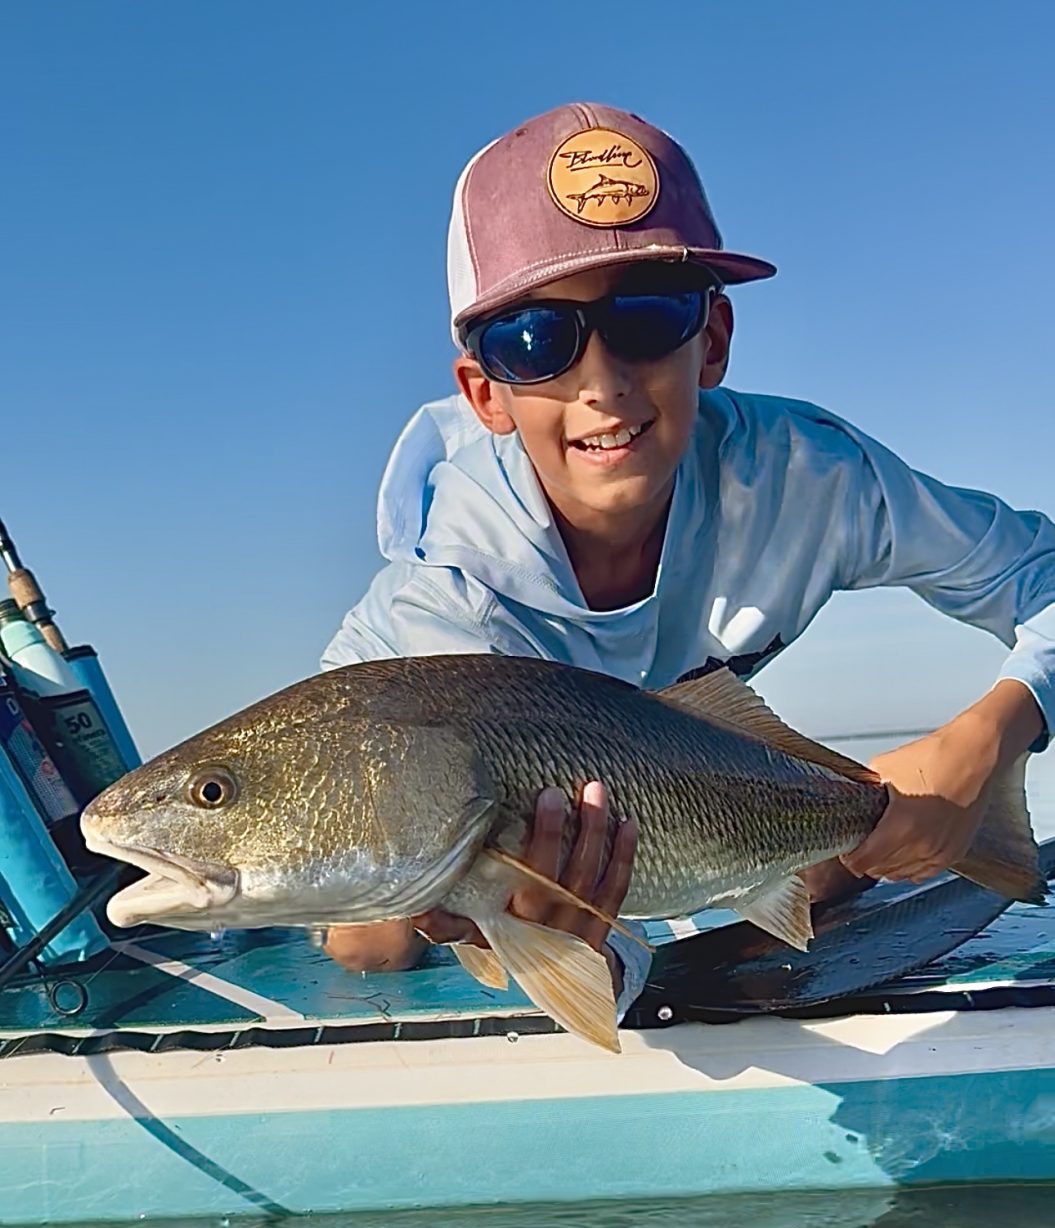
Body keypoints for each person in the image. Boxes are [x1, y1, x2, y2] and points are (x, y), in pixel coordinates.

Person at [319, 101, 1054, 1015]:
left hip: (697, 789)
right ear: (485, 392)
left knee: (801, 859)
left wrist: (996, 732)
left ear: (712, 341)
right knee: (375, 937)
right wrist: (494, 921)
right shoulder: (439, 615)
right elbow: (391, 914)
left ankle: (814, 862)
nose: (601, 382)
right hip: (490, 805)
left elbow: (1040, 574)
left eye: (646, 315)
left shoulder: (809, 476)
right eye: (534, 339)